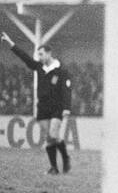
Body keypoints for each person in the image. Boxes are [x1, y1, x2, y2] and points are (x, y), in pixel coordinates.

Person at [2, 31, 72, 174]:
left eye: (40, 54)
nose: (38, 57)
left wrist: (66, 107)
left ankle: (65, 158)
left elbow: (66, 90)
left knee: (53, 134)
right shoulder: (39, 67)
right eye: (38, 55)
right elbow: (24, 57)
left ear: (48, 53)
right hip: (42, 107)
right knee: (49, 138)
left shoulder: (61, 70)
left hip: (57, 107)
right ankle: (54, 167)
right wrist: (10, 42)